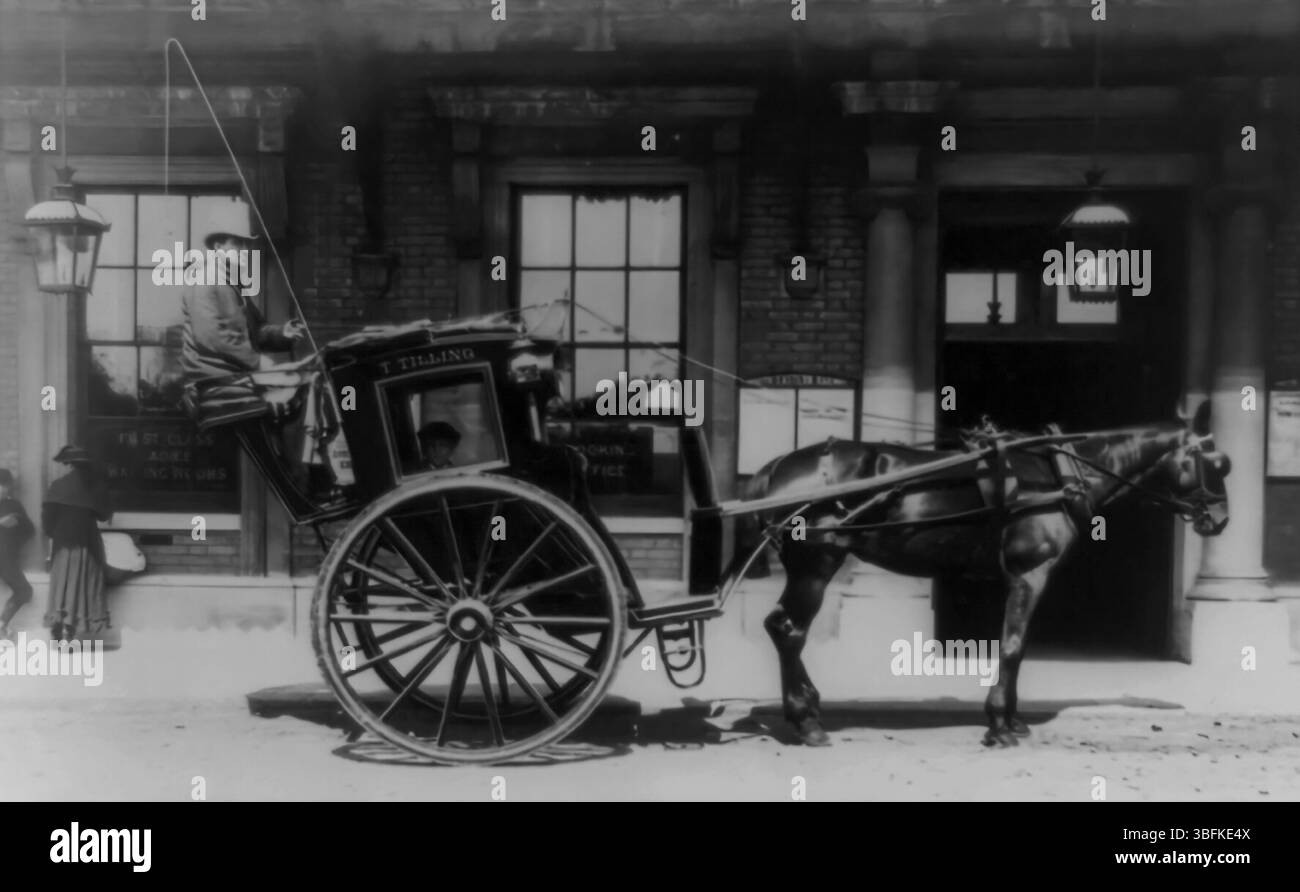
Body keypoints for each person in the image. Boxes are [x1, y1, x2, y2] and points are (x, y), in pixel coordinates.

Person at [181, 230, 307, 417]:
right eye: (238, 244)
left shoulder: (234, 283)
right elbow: (212, 337)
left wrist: (282, 333)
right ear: (218, 247)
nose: (245, 249)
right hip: (213, 378)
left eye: (247, 244)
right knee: (292, 389)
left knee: (303, 385)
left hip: (236, 373)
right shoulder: (203, 280)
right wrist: (257, 361)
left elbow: (256, 331)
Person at [42, 446, 113, 643]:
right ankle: (70, 630)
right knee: (81, 586)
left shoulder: (58, 485)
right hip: (87, 542)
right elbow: (104, 515)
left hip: (62, 543)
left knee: (62, 585)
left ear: (70, 464)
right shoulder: (97, 487)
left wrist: (54, 534)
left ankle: (58, 624)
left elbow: (47, 518)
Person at [0, 469, 35, 643]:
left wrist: (16, 526)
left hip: (6, 557)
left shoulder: (14, 505)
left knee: (24, 591)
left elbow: (30, 530)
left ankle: (2, 623)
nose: (1, 489)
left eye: (3, 486)